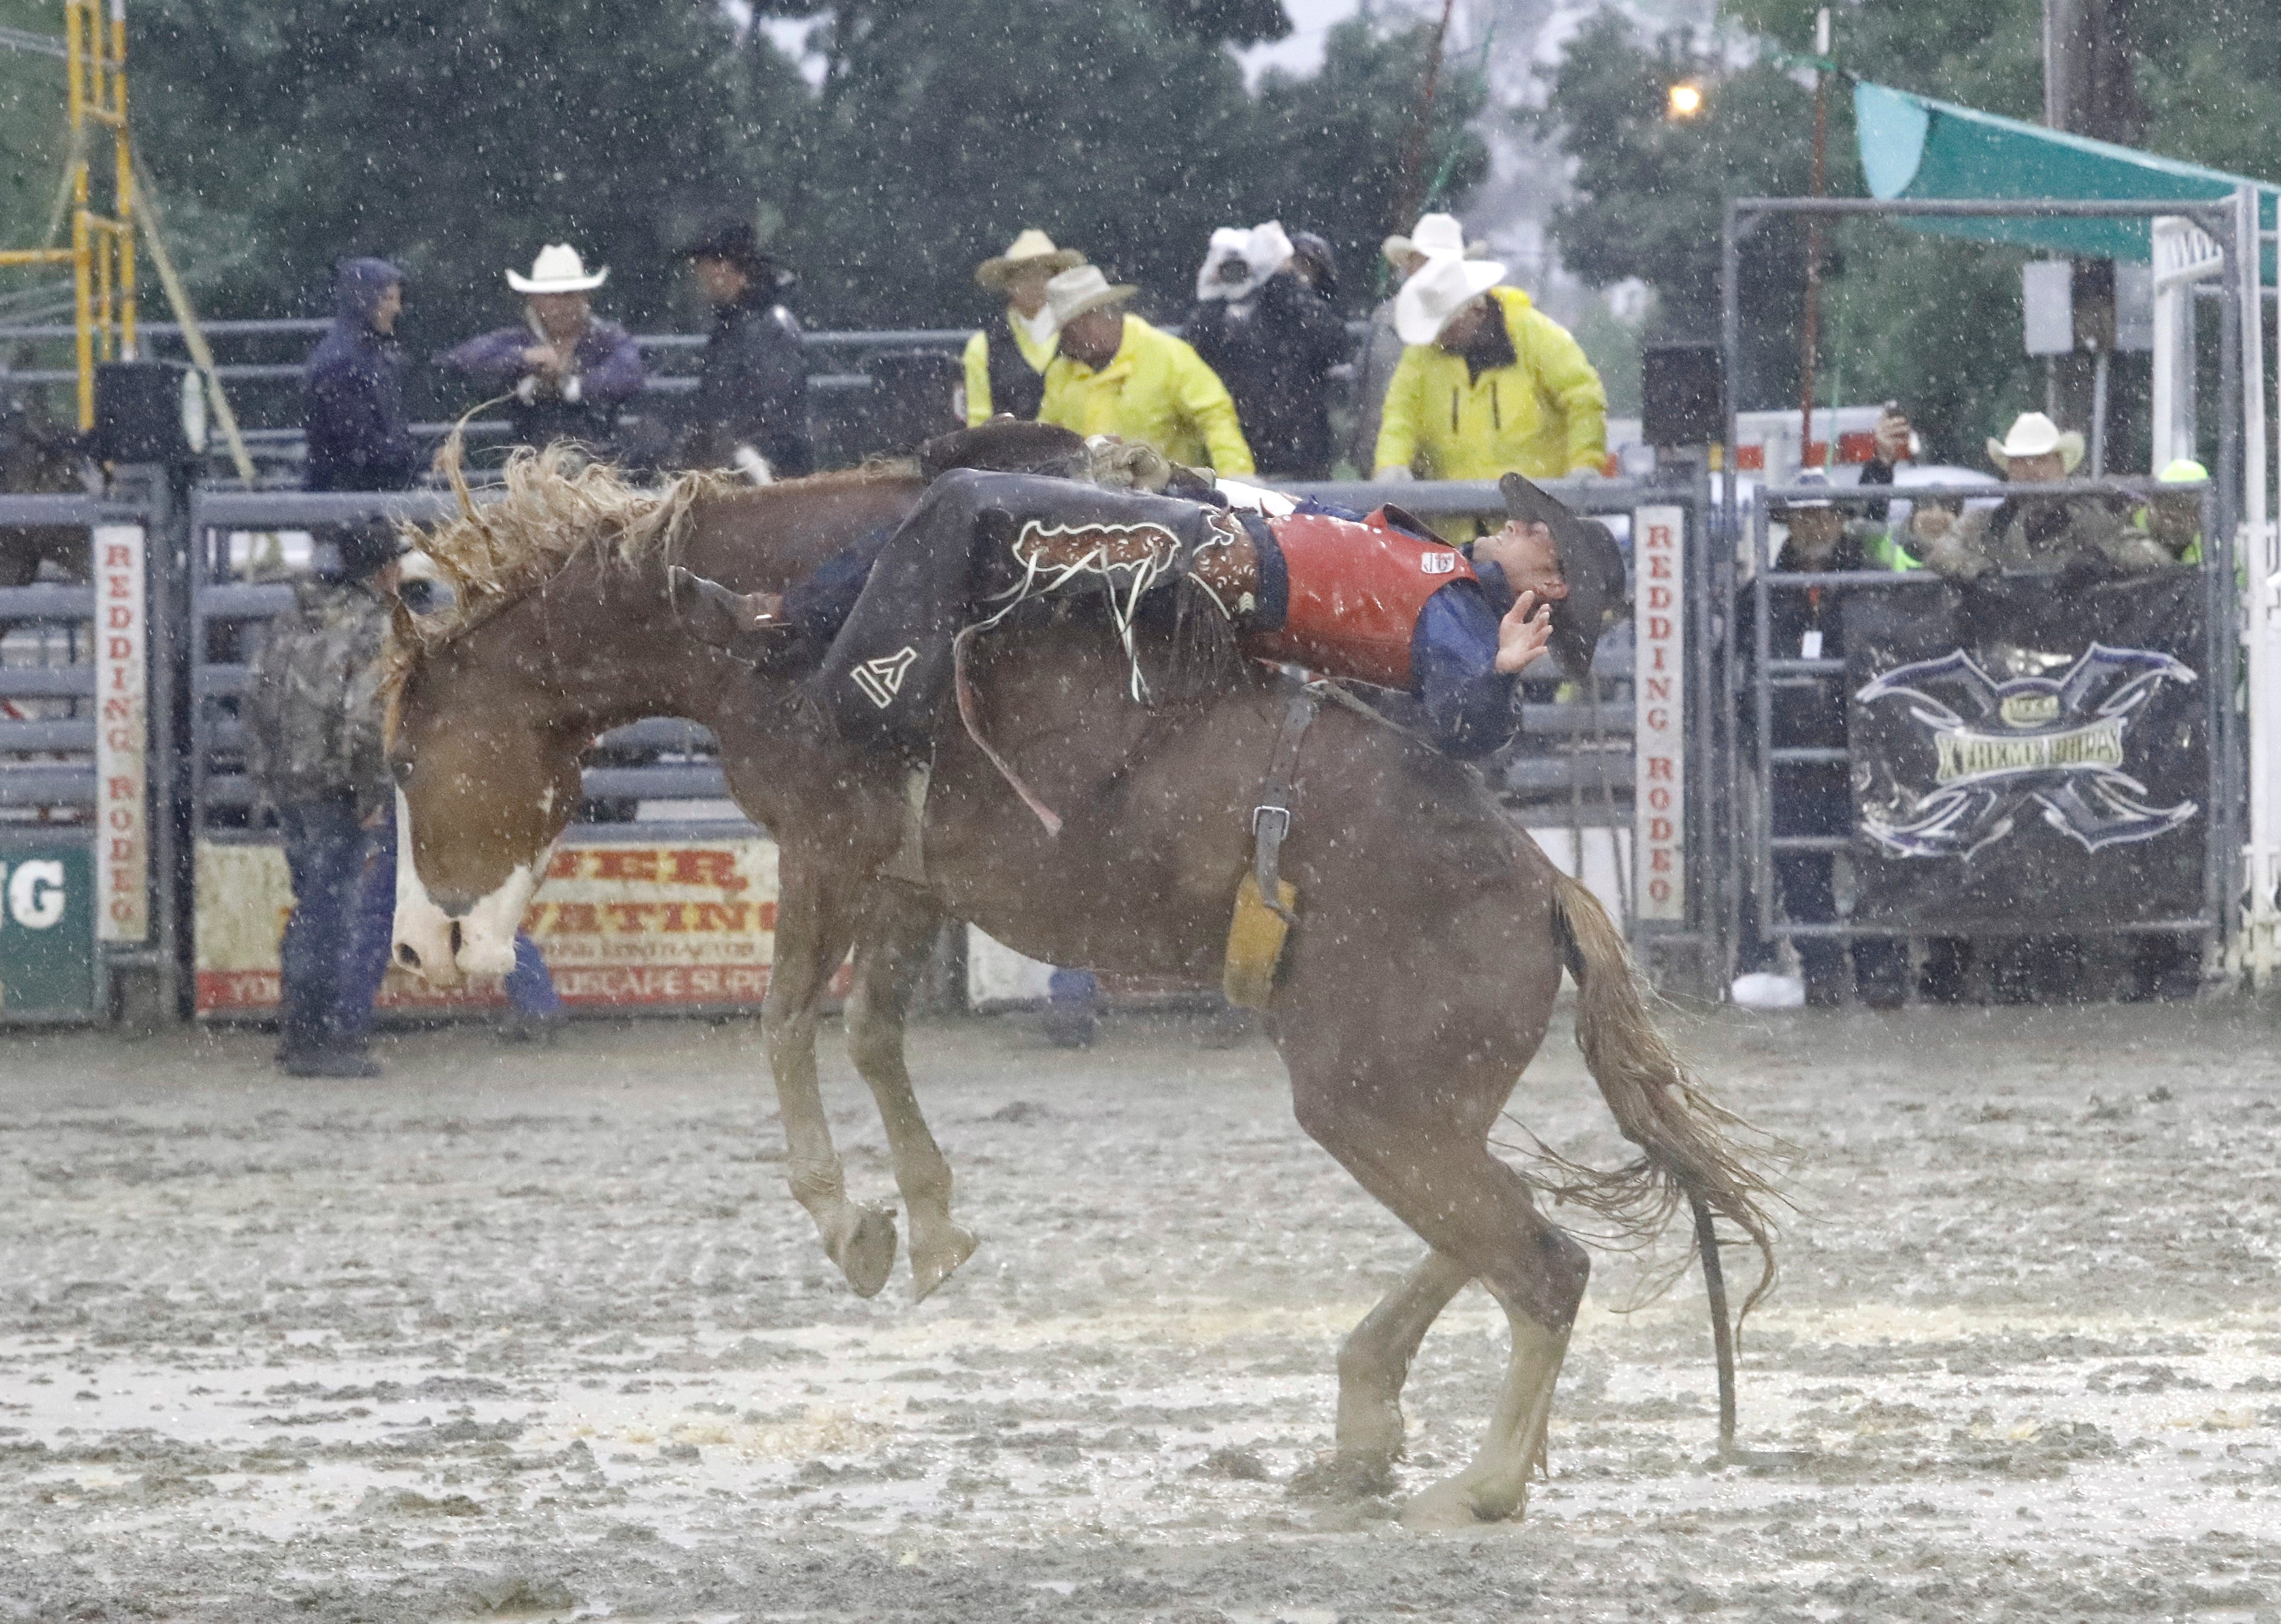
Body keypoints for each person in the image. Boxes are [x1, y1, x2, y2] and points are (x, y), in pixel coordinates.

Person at [679, 443, 1623, 767]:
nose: (1517, 519)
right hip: (1212, 538)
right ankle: (814, 630)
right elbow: (1309, 518)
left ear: (1551, 582)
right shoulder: (1436, 567)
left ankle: (809, 642)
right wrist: (1198, 482)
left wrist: (1498, 680)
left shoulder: (1463, 621)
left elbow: (1462, 726)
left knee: (975, 502)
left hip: (1214, 569)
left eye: (1536, 530)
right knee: (998, 479)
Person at [1744, 471, 1912, 1007]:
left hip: (1865, 751)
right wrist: (1761, 736)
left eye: (1824, 514)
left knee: (1878, 863)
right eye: (1802, 515)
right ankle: (1821, 969)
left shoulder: (1874, 584)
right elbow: (1741, 676)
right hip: (1793, 755)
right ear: (1788, 523)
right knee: (1800, 868)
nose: (1814, 524)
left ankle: (1881, 969)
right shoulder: (1760, 597)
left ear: (1841, 520)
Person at [241, 529, 403, 1078]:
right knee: (332, 915)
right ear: (384, 570)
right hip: (335, 788)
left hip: (290, 783)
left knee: (311, 906)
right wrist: (370, 793)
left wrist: (266, 775)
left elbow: (257, 699)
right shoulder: (372, 628)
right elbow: (364, 722)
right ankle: (318, 1040)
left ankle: (297, 1030)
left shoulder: (292, 620)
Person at [1372, 254, 1609, 541]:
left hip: (1534, 525)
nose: (1440, 337)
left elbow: (1583, 398)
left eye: (1449, 326)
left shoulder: (1535, 335)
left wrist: (1585, 464)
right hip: (1454, 527)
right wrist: (1391, 465)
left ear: (1477, 310)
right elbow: (1400, 413)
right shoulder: (1423, 353)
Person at [1035, 267, 1255, 476]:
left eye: (1070, 328)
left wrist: (1236, 479)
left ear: (1100, 317)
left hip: (1172, 501)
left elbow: (1215, 418)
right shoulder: (1060, 373)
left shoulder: (1168, 355)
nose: (1066, 340)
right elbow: (1046, 441)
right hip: (1088, 504)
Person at [1904, 412, 2169, 580]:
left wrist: (2103, 556)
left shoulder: (2097, 510)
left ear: (2061, 464)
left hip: (2082, 638)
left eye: (2040, 459)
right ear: (2008, 469)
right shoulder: (1986, 523)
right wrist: (1982, 571)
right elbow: (1942, 552)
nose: (2030, 469)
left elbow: (2155, 554)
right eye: (2020, 460)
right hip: (2010, 646)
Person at [441, 245, 646, 457]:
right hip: (528, 463)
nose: (560, 304)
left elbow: (631, 373)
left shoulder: (607, 337)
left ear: (585, 297)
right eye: (551, 295)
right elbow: (460, 360)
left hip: (599, 461)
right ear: (534, 300)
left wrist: (573, 387)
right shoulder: (520, 340)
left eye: (568, 294)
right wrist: (525, 359)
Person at [1184, 221, 1348, 479]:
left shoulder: (1286, 308)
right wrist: (1212, 294)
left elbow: (1332, 342)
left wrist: (1282, 279)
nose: (1238, 273)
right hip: (1235, 458)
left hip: (1300, 458)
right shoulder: (1214, 319)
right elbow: (1192, 352)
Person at [672, 215, 813, 481]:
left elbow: (776, 416)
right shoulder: (731, 327)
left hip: (768, 475)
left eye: (701, 265)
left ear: (723, 266)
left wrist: (736, 454)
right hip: (735, 466)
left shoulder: (771, 326)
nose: (698, 275)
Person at [1349, 213, 1480, 475]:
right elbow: (1363, 387)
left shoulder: (1470, 323)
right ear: (1409, 265)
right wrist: (1365, 449)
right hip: (1385, 467)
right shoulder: (1383, 318)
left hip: (1447, 469)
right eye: (1423, 261)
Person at [303, 257, 417, 494]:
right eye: (389, 299)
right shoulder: (341, 362)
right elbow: (358, 444)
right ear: (364, 301)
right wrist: (418, 460)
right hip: (350, 502)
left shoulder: (366, 355)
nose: (396, 308)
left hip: (362, 496)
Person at [963, 230, 1084, 426]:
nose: (1036, 285)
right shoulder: (982, 346)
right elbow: (978, 422)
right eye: (1025, 277)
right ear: (1008, 285)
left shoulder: (1080, 334)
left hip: (1074, 452)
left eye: (1044, 275)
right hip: (1006, 454)